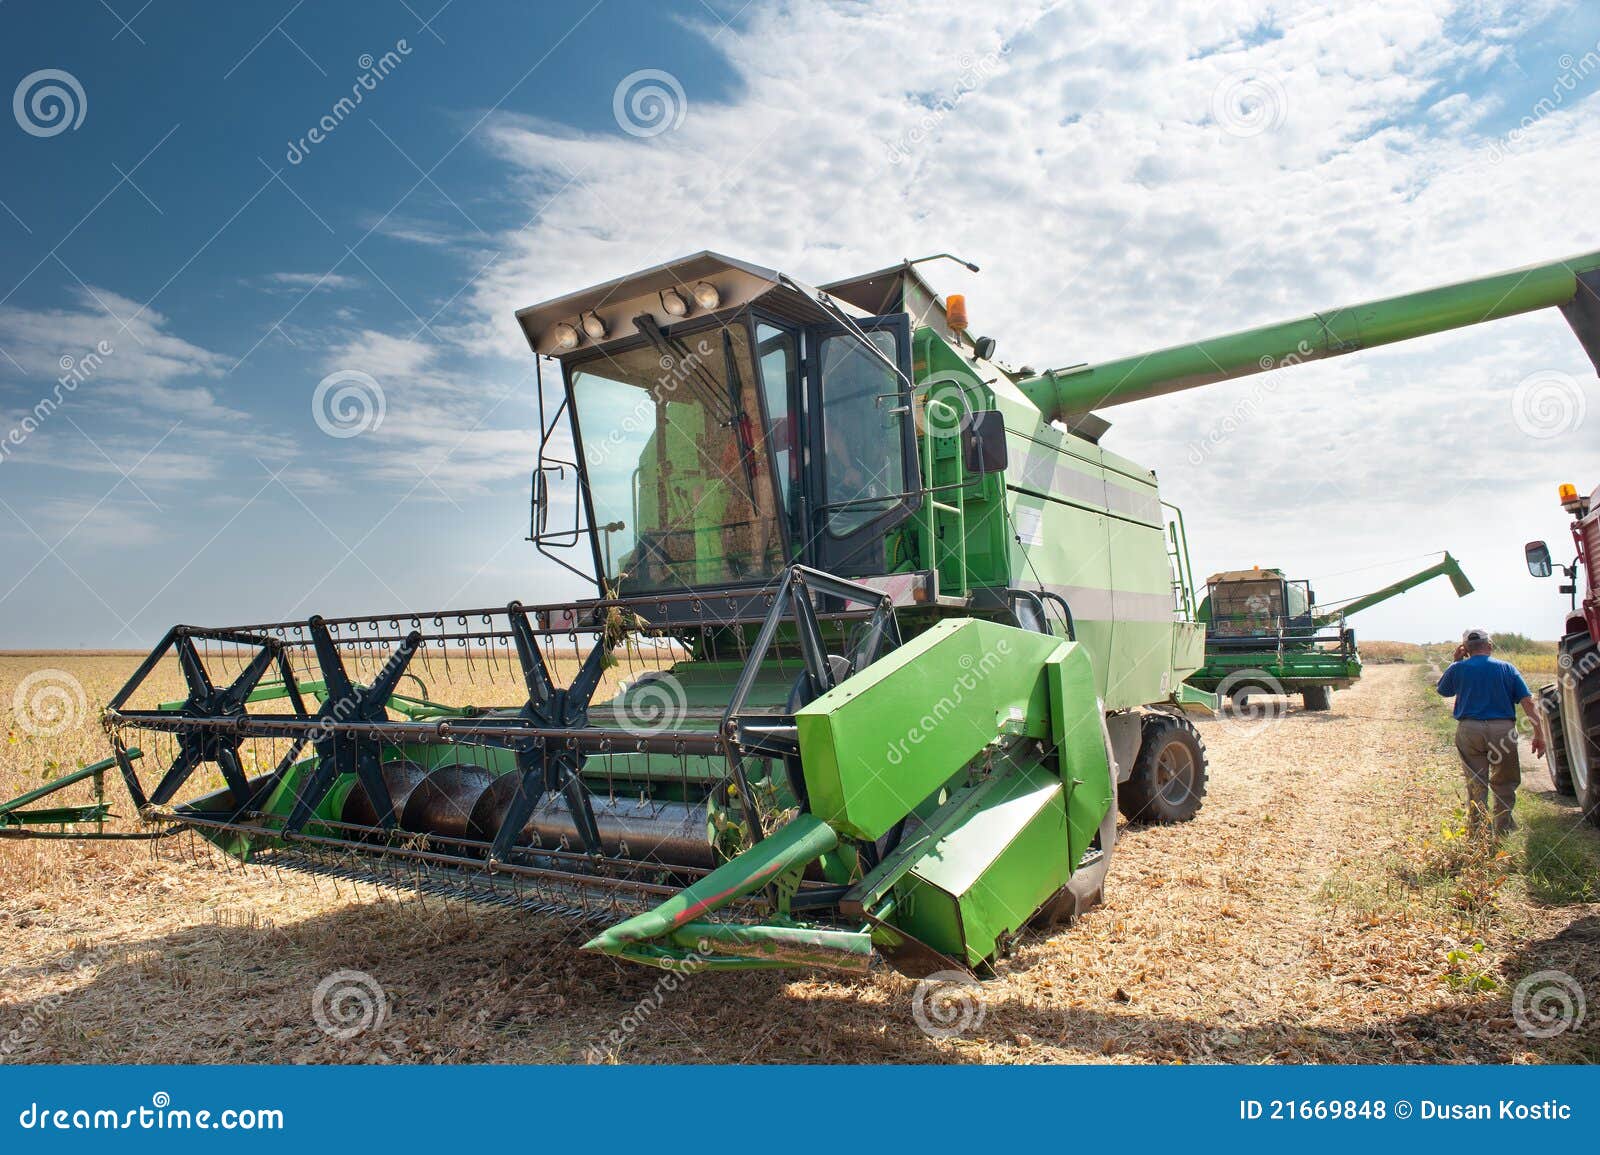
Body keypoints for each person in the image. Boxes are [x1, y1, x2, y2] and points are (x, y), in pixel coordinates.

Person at [1435, 628, 1546, 836]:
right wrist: (1539, 733)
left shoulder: (1458, 668)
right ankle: (1503, 829)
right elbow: (1528, 702)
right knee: (1505, 782)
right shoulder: (1507, 668)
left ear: (1465, 649)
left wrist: (1456, 661)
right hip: (1502, 730)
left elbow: (1442, 690)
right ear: (1490, 646)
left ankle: (1478, 833)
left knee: (1477, 783)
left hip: (1469, 730)